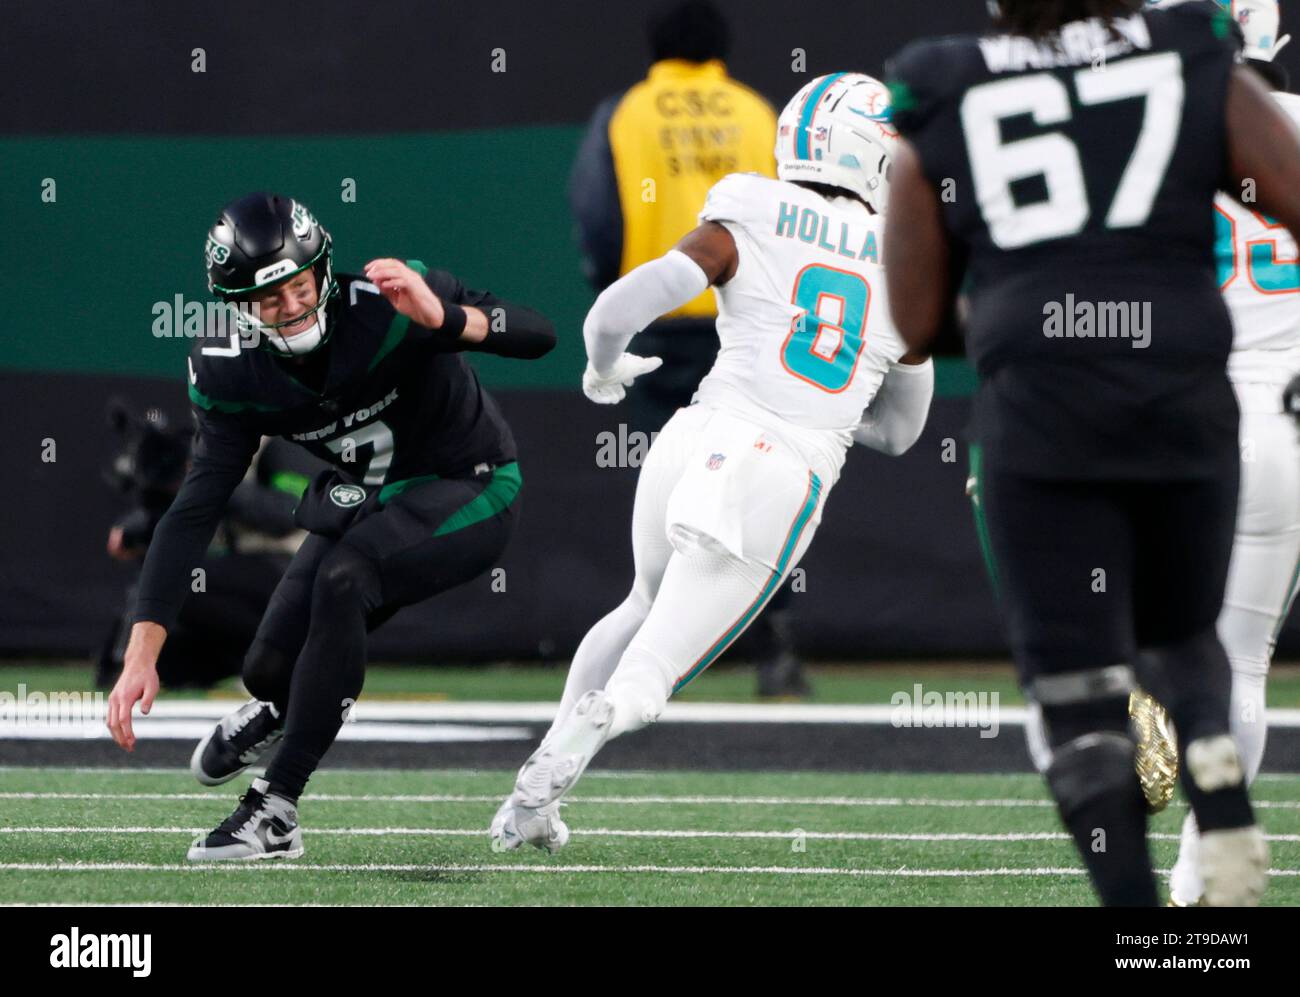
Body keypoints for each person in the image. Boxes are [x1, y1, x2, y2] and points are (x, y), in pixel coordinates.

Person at [883, 0, 1300, 905]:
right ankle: (1215, 782)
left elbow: (912, 321)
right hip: (1190, 392)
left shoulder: (952, 85)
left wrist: (1009, 313)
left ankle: (1141, 922)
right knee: (1190, 637)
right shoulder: (1197, 66)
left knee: (1076, 697)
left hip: (1043, 405)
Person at [491, 73, 934, 853]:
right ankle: (599, 721)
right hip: (782, 469)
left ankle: (536, 793)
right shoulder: (907, 264)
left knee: (637, 604)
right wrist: (836, 414)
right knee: (654, 672)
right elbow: (901, 433)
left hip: (692, 437)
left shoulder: (751, 207)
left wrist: (603, 368)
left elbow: (615, 311)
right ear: (872, 154)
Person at [106, 192, 555, 860]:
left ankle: (275, 811)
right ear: (236, 306)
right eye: (268, 298)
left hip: (471, 483)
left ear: (321, 268)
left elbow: (540, 333)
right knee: (266, 667)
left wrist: (450, 320)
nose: (290, 306)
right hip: (373, 498)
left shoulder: (390, 302)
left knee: (347, 577)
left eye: (298, 285)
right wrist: (142, 650)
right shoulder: (230, 368)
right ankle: (283, 705)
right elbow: (196, 506)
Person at [570, 0, 807, 696]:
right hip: (752, 325)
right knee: (764, 485)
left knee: (668, 484)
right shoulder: (759, 113)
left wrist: (620, 294)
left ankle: (656, 653)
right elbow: (799, 213)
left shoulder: (629, 111)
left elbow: (596, 214)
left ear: (654, 46)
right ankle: (778, 648)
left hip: (666, 325)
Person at [1165, 0, 1300, 906]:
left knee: (1228, 657)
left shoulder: (1140, 138)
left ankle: (1189, 882)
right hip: (1288, 414)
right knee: (1247, 660)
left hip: (1195, 414)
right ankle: (1191, 880)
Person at [97, 402, 318, 690]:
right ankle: (249, 662)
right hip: (232, 592)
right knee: (166, 635)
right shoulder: (207, 447)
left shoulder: (282, 443)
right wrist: (139, 525)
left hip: (288, 578)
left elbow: (292, 512)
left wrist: (216, 485)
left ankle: (277, 658)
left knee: (176, 573)